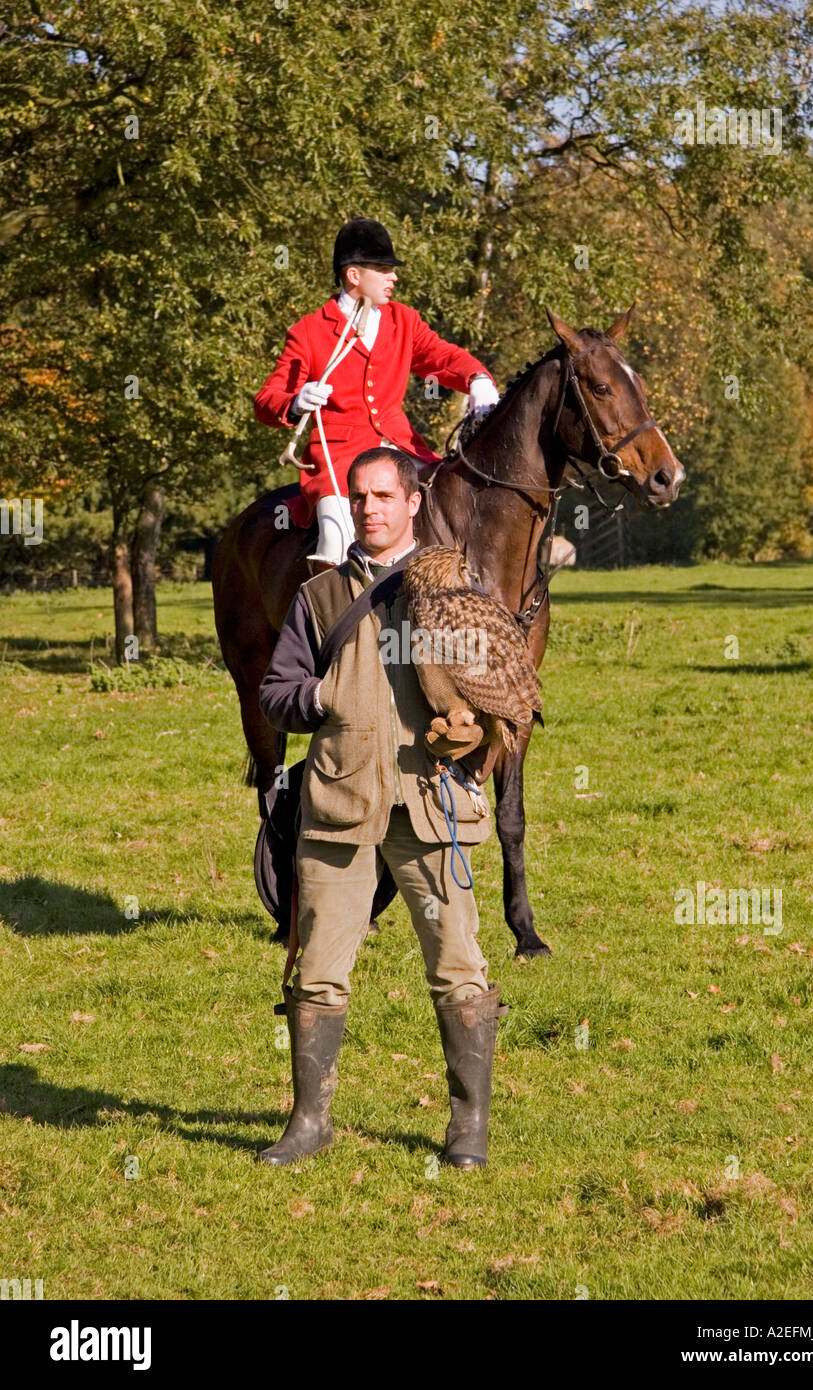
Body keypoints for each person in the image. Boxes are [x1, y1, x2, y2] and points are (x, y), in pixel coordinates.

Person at [257, 445, 505, 1170]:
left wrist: (474, 734)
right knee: (317, 971)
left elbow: (497, 693)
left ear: (413, 502)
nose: (370, 508)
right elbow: (276, 693)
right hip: (339, 805)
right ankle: (309, 1123)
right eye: (359, 497)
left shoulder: (455, 589)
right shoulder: (321, 597)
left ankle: (468, 1128)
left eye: (384, 496)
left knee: (458, 966)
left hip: (433, 809)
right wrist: (321, 697)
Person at [254, 217, 499, 568]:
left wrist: (477, 378)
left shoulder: (404, 320)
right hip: (340, 461)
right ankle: (330, 621)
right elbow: (266, 401)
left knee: (458, 505)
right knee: (336, 542)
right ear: (354, 275)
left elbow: (442, 356)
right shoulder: (309, 331)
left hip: (402, 448)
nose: (394, 277)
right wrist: (295, 402)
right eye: (384, 269)